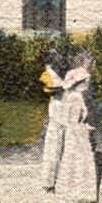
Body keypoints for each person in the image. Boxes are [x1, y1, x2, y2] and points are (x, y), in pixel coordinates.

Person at [55, 60, 100, 203]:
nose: (87, 84)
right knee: (78, 163)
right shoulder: (75, 98)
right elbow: (73, 121)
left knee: (74, 162)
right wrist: (83, 128)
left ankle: (75, 198)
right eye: (85, 81)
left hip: (74, 134)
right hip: (77, 136)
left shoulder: (71, 97)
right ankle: (77, 198)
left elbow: (70, 120)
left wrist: (84, 125)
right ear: (79, 83)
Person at [38, 54, 67, 193]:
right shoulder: (49, 72)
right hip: (58, 113)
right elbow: (49, 89)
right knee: (53, 148)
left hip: (67, 113)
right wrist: (65, 87)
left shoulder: (64, 73)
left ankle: (56, 184)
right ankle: (48, 184)